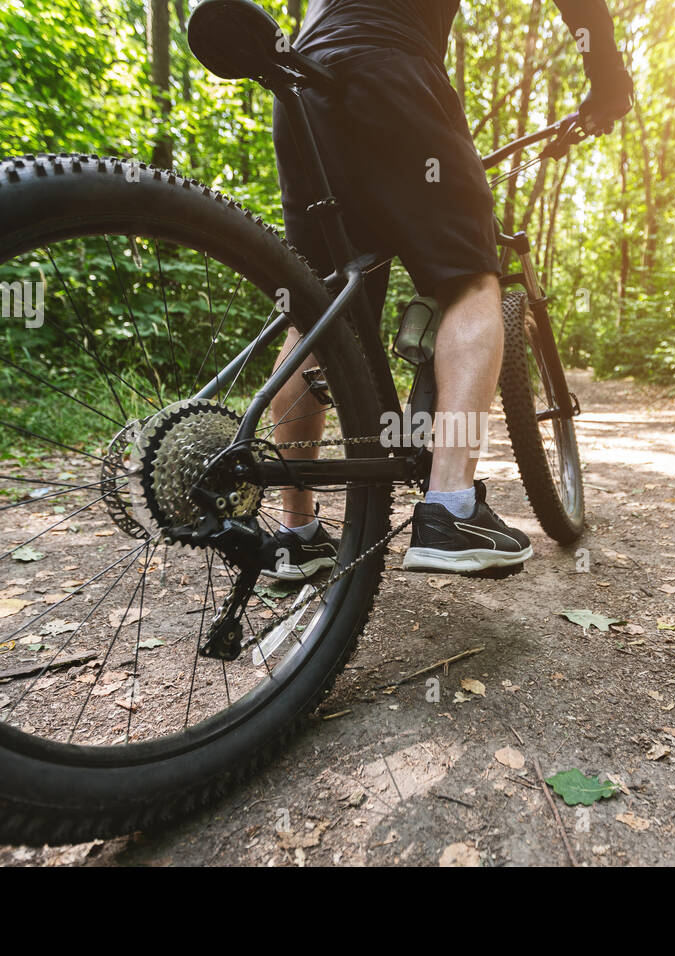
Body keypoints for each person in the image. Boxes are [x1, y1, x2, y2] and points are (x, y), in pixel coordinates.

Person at [263, 0, 633, 580]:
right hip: (392, 70)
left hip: (301, 90)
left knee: (320, 308)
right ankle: (449, 510)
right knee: (469, 281)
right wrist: (608, 82)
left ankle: (296, 534)